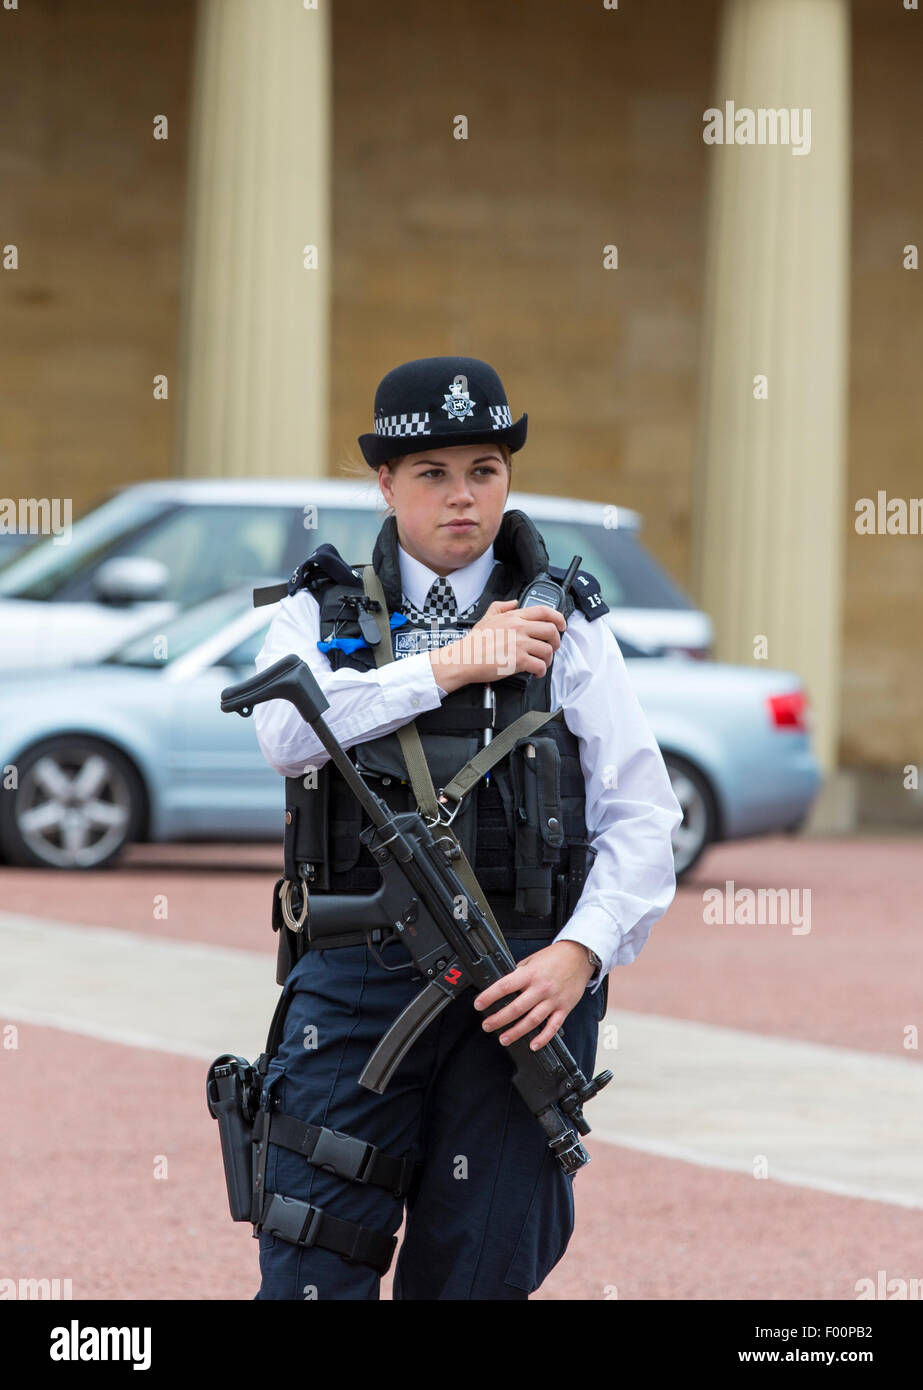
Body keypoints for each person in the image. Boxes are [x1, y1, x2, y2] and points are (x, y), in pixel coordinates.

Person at [250, 355, 682, 1300]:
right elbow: (284, 731)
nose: (462, 498)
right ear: (385, 484)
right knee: (311, 1260)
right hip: (355, 977)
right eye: (432, 475)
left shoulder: (568, 626)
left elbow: (644, 817)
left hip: (521, 977)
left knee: (479, 1272)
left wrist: (581, 954)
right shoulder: (317, 608)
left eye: (483, 471)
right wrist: (451, 665)